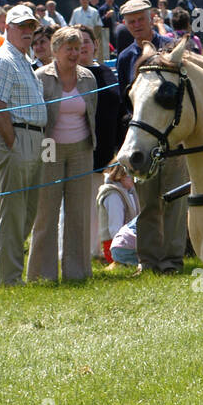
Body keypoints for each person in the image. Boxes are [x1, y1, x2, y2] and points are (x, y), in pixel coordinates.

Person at [116, 0, 188, 274]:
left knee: (174, 203)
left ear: (152, 17)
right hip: (142, 144)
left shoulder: (172, 47)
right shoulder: (125, 58)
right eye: (130, 21)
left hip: (172, 140)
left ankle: (171, 261)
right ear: (124, 23)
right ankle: (147, 261)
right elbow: (128, 103)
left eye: (140, 19)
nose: (136, 25)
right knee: (146, 204)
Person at [0, 4, 48, 286]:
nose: (26, 31)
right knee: (14, 212)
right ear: (6, 28)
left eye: (30, 26)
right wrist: (12, 141)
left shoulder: (23, 59)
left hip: (35, 138)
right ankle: (9, 279)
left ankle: (13, 273)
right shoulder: (3, 59)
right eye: (21, 26)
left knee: (29, 210)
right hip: (18, 137)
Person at [27, 27, 97, 282]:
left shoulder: (88, 77)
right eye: (69, 48)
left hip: (81, 149)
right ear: (56, 51)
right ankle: (41, 275)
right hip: (49, 149)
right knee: (46, 210)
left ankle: (77, 273)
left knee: (79, 212)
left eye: (78, 48)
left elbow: (92, 114)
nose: (75, 53)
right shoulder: (40, 78)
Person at [78, 23, 122, 255]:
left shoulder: (107, 72)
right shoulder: (70, 76)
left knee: (105, 204)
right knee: (83, 206)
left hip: (108, 152)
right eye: (77, 42)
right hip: (82, 151)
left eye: (86, 41)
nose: (82, 46)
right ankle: (84, 251)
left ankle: (103, 250)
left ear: (96, 44)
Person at [96, 162, 140, 265]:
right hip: (116, 246)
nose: (135, 180)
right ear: (123, 175)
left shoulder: (128, 192)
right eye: (133, 176)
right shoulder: (113, 196)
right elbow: (115, 228)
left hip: (126, 242)